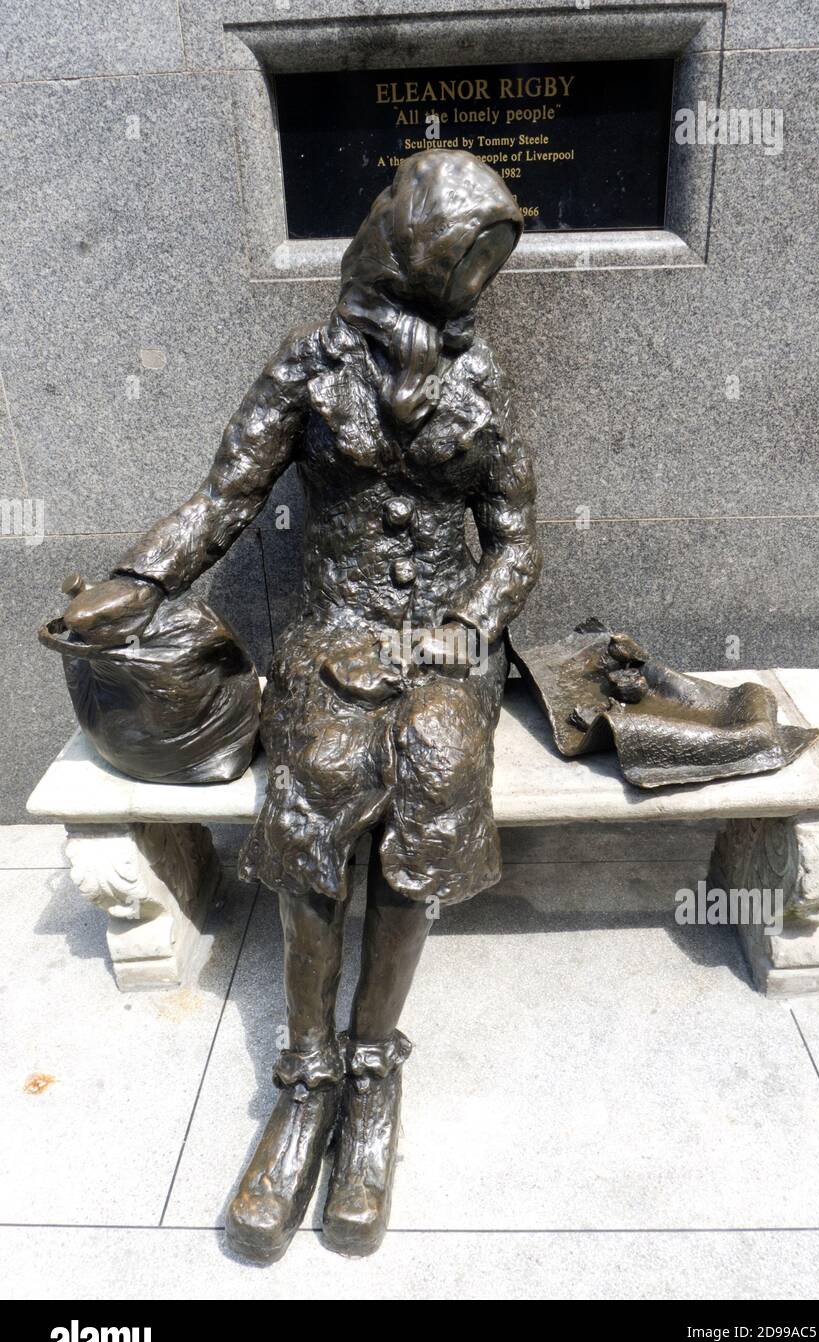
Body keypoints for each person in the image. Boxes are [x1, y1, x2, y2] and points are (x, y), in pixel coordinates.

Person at [59, 150, 541, 1261]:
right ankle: (304, 1081)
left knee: (433, 770)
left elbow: (517, 539)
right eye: (464, 252)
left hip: (443, 643)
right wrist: (139, 580)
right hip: (332, 632)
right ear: (410, 246)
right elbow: (225, 495)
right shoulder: (313, 363)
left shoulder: (482, 382)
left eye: (490, 257)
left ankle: (372, 1080)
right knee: (320, 776)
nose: (477, 276)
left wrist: (470, 621)